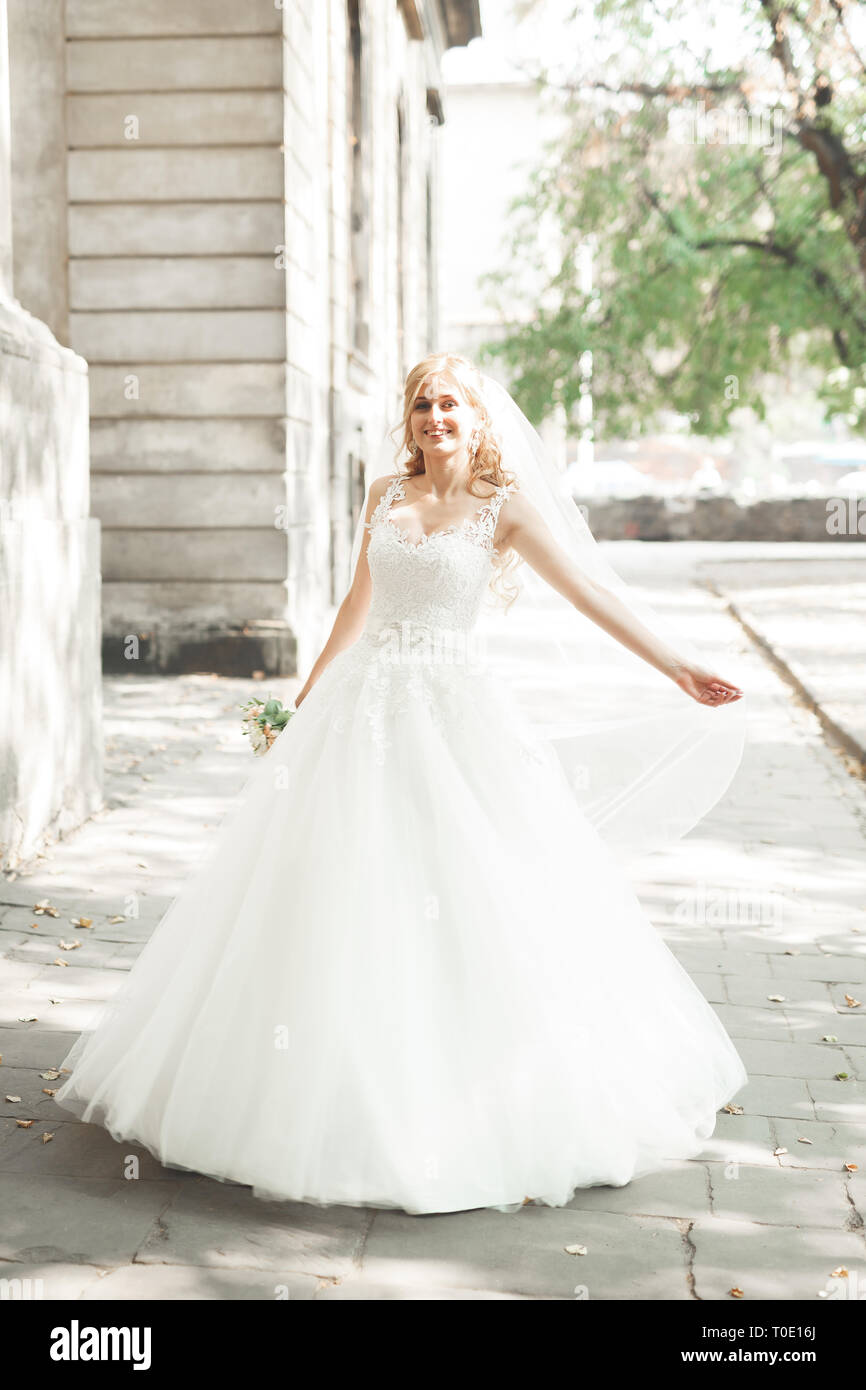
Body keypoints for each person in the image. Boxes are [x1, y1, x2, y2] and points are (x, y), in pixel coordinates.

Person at [55, 353, 747, 1215]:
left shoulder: (506, 509)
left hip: (454, 716)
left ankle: (469, 1098)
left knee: (463, 885)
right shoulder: (384, 492)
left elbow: (590, 596)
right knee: (326, 887)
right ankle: (295, 1084)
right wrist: (301, 704)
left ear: (478, 419)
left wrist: (678, 665)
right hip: (360, 707)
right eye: (422, 405)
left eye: (449, 404)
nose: (435, 418)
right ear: (408, 418)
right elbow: (356, 601)